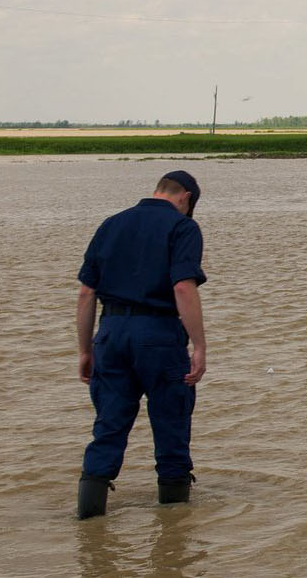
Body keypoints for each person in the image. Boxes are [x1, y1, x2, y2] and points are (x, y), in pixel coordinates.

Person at [74, 170, 209, 520]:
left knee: (108, 426)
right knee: (171, 424)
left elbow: (87, 293)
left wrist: (85, 350)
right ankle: (175, 526)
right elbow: (183, 287)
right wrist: (199, 347)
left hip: (111, 332)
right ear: (187, 198)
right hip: (159, 335)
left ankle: (88, 520)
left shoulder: (111, 224)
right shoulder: (183, 228)